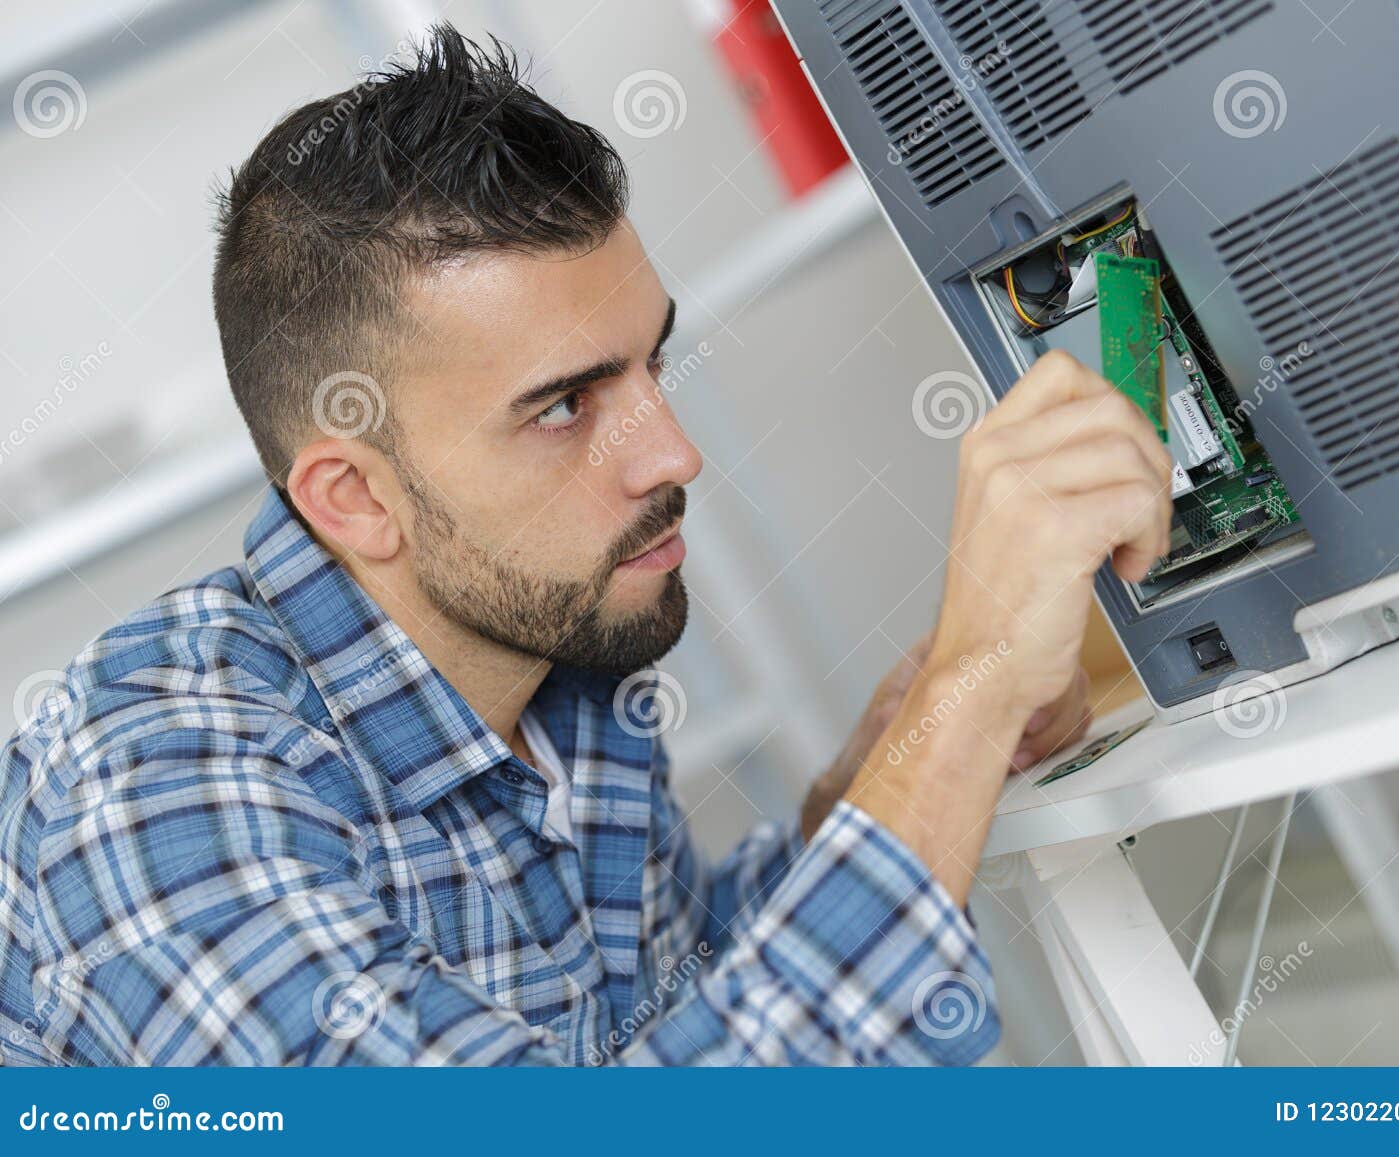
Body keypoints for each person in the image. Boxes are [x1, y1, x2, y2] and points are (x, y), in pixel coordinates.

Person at [0, 26, 1170, 1066]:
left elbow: (648, 1035)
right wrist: (965, 693)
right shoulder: (160, 802)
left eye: (650, 363)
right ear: (354, 497)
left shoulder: (540, 650)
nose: (673, 455)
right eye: (563, 405)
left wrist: (881, 775)